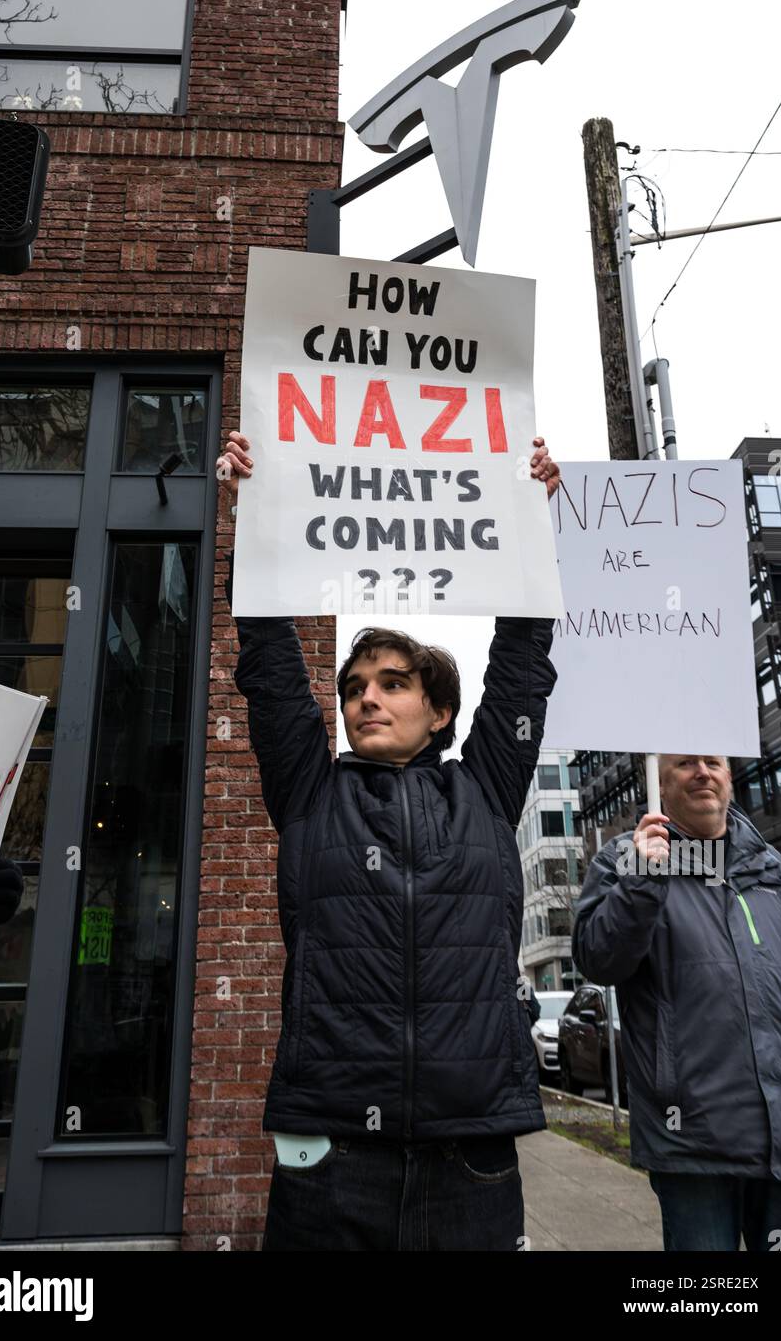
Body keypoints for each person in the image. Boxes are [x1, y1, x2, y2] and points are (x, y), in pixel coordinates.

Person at [217, 429, 560, 1251]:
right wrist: (252, 520)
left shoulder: (483, 789)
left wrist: (530, 521)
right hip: (330, 1155)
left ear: (439, 711)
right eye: (355, 687)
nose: (366, 698)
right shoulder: (309, 791)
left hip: (470, 1157)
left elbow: (521, 659)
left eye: (393, 684)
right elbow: (267, 662)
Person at [572, 754, 781, 1252]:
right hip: (694, 1142)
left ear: (730, 774)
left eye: (714, 762)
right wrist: (641, 880)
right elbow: (598, 959)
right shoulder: (625, 858)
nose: (703, 772)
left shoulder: (780, 874)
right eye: (684, 763)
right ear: (658, 780)